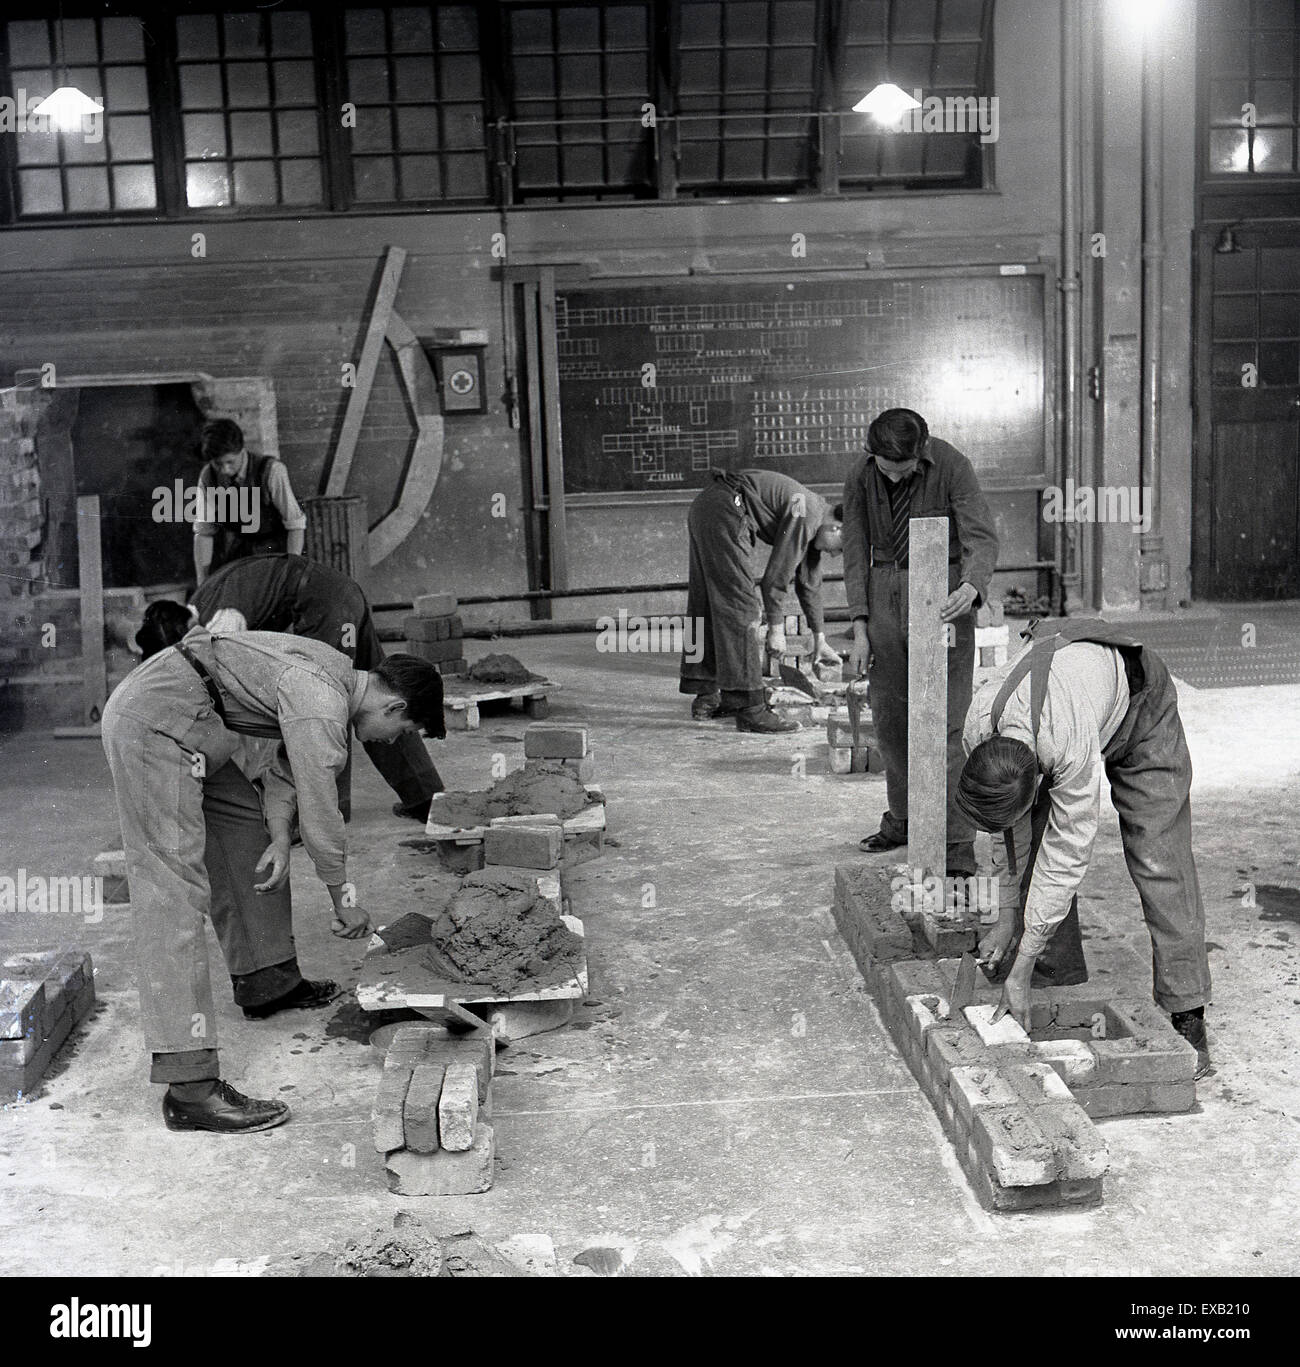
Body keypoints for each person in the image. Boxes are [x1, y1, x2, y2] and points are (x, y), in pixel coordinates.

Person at [101, 626, 445, 1133]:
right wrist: (340, 897)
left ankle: (268, 980)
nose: (393, 741)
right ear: (393, 707)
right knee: (172, 892)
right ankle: (189, 1087)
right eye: (403, 731)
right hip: (155, 723)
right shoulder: (320, 701)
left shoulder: (336, 681)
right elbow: (322, 808)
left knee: (247, 833)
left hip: (199, 725)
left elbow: (287, 764)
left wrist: (280, 838)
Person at [955, 616, 1212, 1077]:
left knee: (1157, 853)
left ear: (1038, 782)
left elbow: (1068, 853)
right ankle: (1053, 985)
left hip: (1138, 701)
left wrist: (1021, 960)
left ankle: (1187, 1009)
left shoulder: (1064, 742)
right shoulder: (979, 730)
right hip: (1069, 698)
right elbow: (1004, 832)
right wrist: (1007, 915)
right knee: (1028, 844)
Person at [139, 553, 442, 821]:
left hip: (324, 606)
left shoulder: (219, 624)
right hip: (341, 593)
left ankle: (317, 812)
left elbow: (231, 697)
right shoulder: (201, 603)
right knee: (383, 692)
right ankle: (425, 796)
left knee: (328, 703)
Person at [842, 408, 998, 880]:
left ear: (920, 452)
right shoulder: (861, 476)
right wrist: (860, 626)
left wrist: (971, 588)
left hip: (943, 599)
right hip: (882, 593)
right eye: (885, 467)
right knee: (891, 721)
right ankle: (904, 820)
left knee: (948, 724)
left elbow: (980, 534)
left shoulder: (952, 465)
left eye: (903, 468)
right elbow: (853, 549)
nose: (893, 475)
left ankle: (955, 844)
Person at [680, 468, 843, 734]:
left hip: (707, 506)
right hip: (727, 509)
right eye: (840, 546)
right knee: (742, 607)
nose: (836, 555)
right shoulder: (807, 511)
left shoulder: (813, 514)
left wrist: (820, 637)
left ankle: (706, 694)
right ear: (836, 527)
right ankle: (750, 709)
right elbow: (775, 578)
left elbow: (809, 582)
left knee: (706, 602)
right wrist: (776, 631)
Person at [192, 419, 306, 584]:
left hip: (276, 554)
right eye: (218, 464)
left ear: (241, 450)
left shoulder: (272, 471)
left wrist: (289, 573)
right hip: (238, 556)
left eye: (230, 462)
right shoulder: (209, 475)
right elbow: (203, 531)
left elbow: (296, 526)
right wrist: (202, 582)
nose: (225, 470)